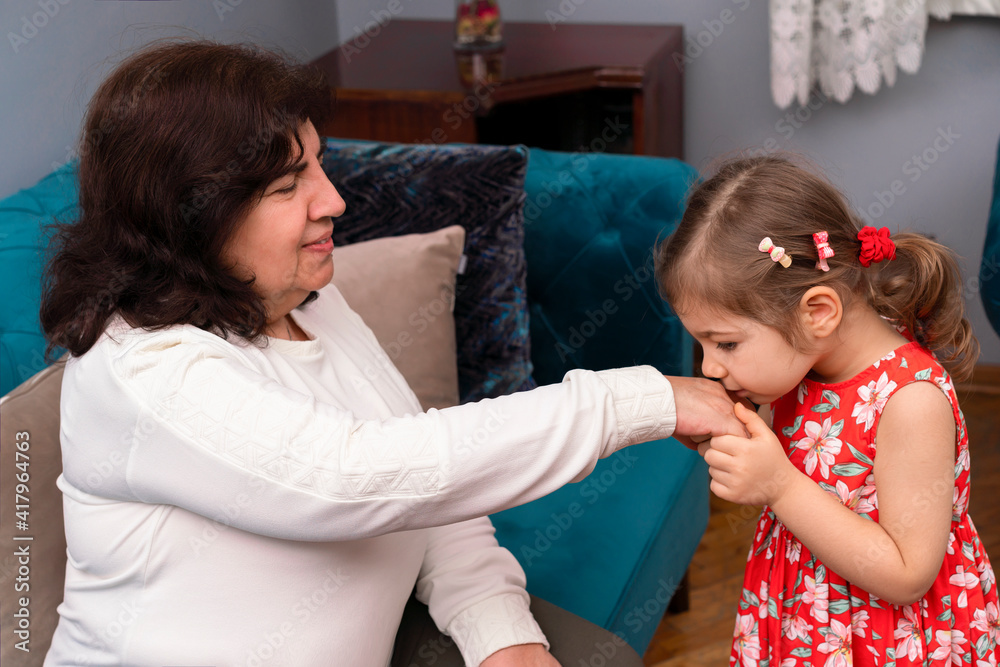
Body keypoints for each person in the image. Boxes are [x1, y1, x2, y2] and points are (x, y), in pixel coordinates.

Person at [38, 40, 744, 667]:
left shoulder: (306, 301)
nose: (334, 200)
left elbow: (432, 489)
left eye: (318, 164)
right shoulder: (145, 372)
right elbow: (362, 475)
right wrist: (641, 398)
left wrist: (500, 630)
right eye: (289, 186)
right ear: (187, 217)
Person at [655, 154, 998, 666]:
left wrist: (779, 486)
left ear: (817, 311)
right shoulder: (803, 362)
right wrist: (726, 431)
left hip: (886, 641)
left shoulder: (910, 403)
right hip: (805, 620)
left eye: (724, 343)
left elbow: (908, 573)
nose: (708, 366)